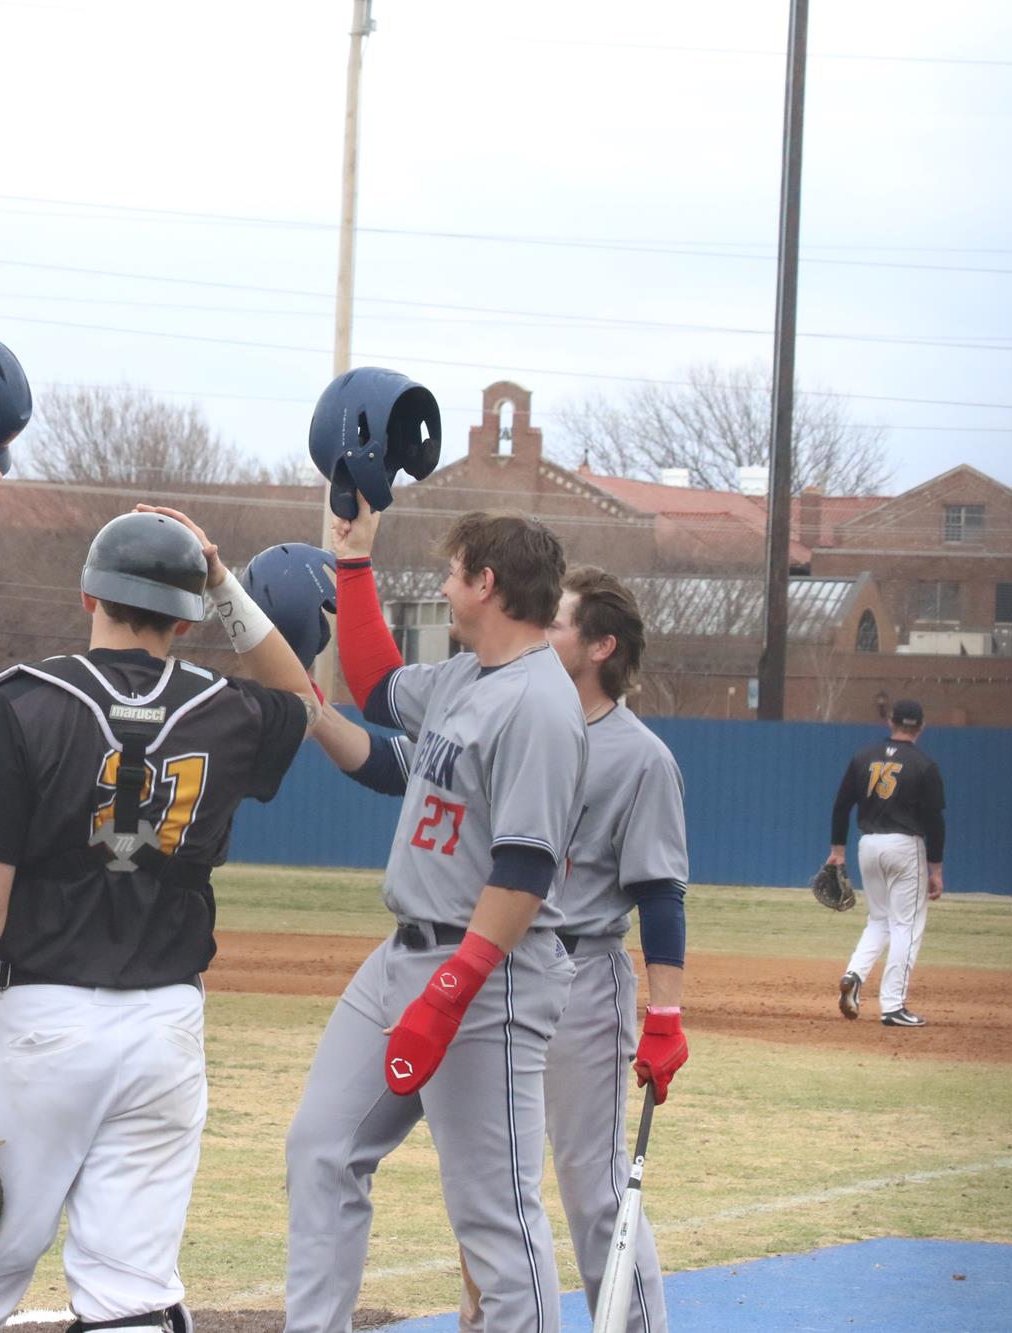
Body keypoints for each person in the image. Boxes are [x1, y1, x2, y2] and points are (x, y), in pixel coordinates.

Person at [0, 506, 317, 1333]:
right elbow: (303, 691)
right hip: (166, 1028)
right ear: (189, 614)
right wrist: (222, 578)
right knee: (130, 1292)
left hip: (42, 1024)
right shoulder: (228, 708)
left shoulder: (16, 703)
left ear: (89, 594)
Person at [283, 501, 587, 1333]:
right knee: (321, 1147)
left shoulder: (539, 704)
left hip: (489, 977)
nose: (446, 586)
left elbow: (524, 870)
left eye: (454, 572)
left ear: (486, 583)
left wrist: (451, 990)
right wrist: (354, 563)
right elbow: (379, 688)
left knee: (496, 1213)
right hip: (402, 956)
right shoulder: (466, 677)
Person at [451, 567, 689, 1333]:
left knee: (593, 1185)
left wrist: (666, 1014)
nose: (540, 631)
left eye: (556, 622)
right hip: (502, 968)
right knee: (490, 1176)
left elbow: (661, 893)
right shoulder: (518, 721)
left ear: (599, 646)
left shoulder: (642, 756)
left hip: (585, 972)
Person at [831, 698, 946, 1028]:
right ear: (921, 727)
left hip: (868, 845)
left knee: (879, 920)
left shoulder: (863, 757)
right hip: (905, 845)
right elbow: (935, 822)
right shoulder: (925, 765)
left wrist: (838, 851)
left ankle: (854, 974)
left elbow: (841, 806)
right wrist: (935, 869)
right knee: (905, 926)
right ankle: (893, 1006)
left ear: (890, 722)